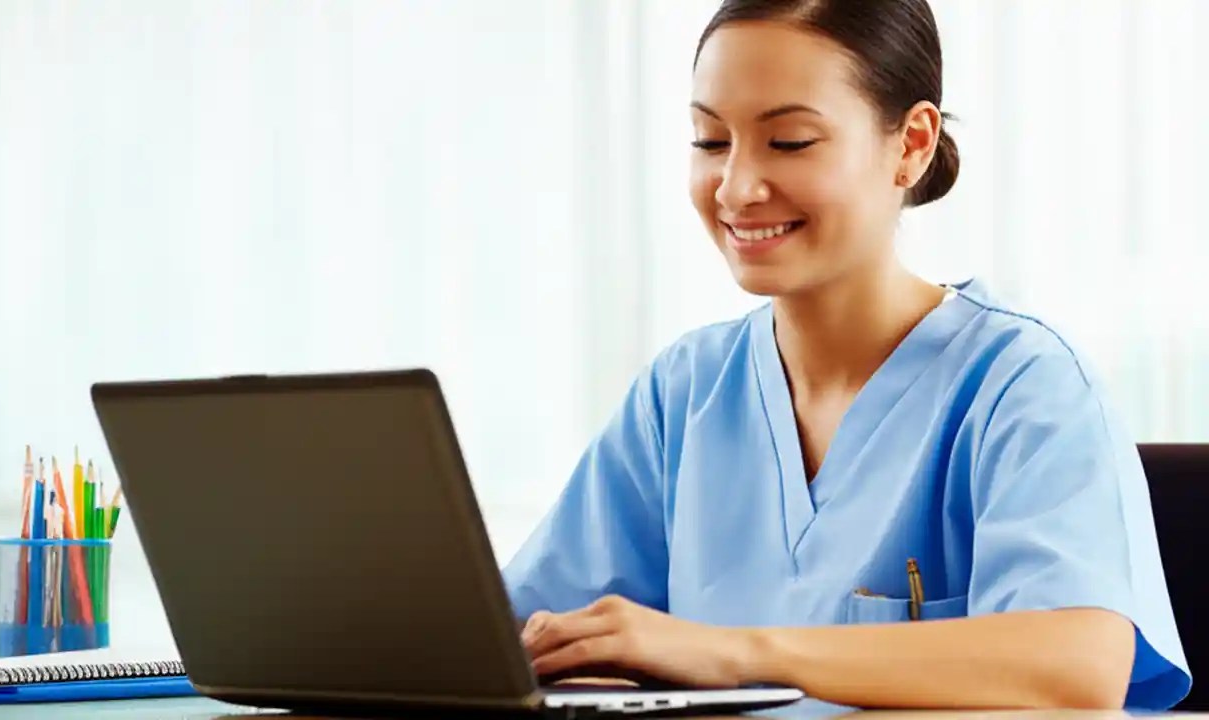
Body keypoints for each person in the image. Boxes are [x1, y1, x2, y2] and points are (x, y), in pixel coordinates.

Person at [500, 0, 1191, 711]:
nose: (737, 187)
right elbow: (506, 640)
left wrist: (735, 653)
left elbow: (1077, 670)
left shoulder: (1022, 383)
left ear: (912, 144)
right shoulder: (684, 394)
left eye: (791, 141)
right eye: (710, 141)